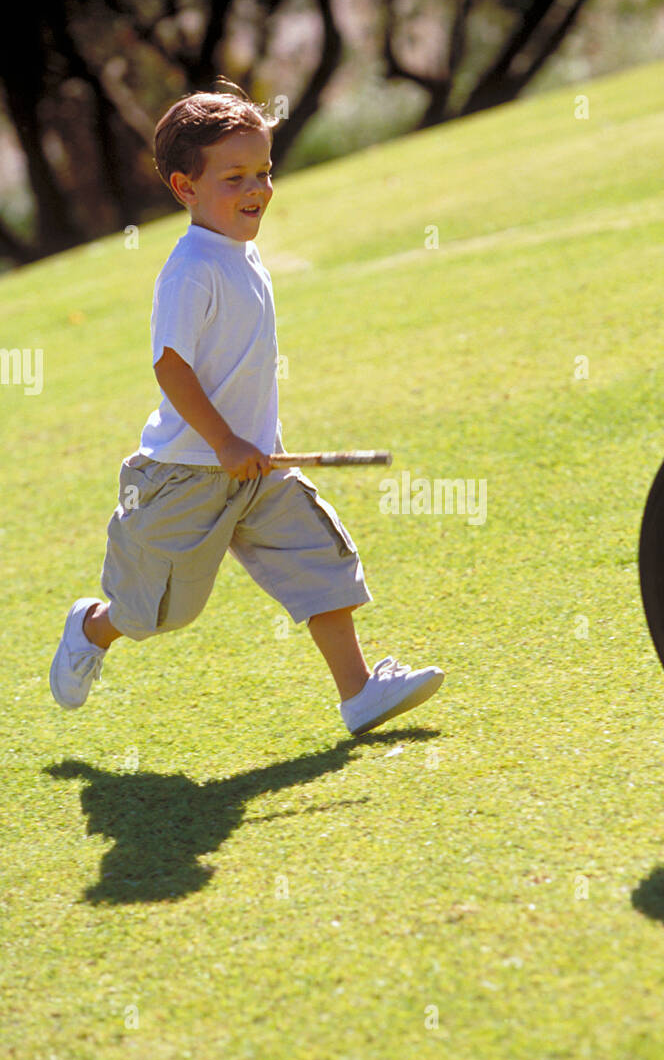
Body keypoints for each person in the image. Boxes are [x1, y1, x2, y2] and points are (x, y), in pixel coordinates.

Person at [50, 80, 443, 735]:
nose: (257, 189)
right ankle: (93, 625)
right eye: (234, 178)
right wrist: (224, 442)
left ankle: (360, 692)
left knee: (320, 561)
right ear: (185, 188)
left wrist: (247, 444)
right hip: (186, 473)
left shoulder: (243, 253)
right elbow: (170, 367)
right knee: (161, 612)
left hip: (260, 466)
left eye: (263, 171)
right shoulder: (191, 268)